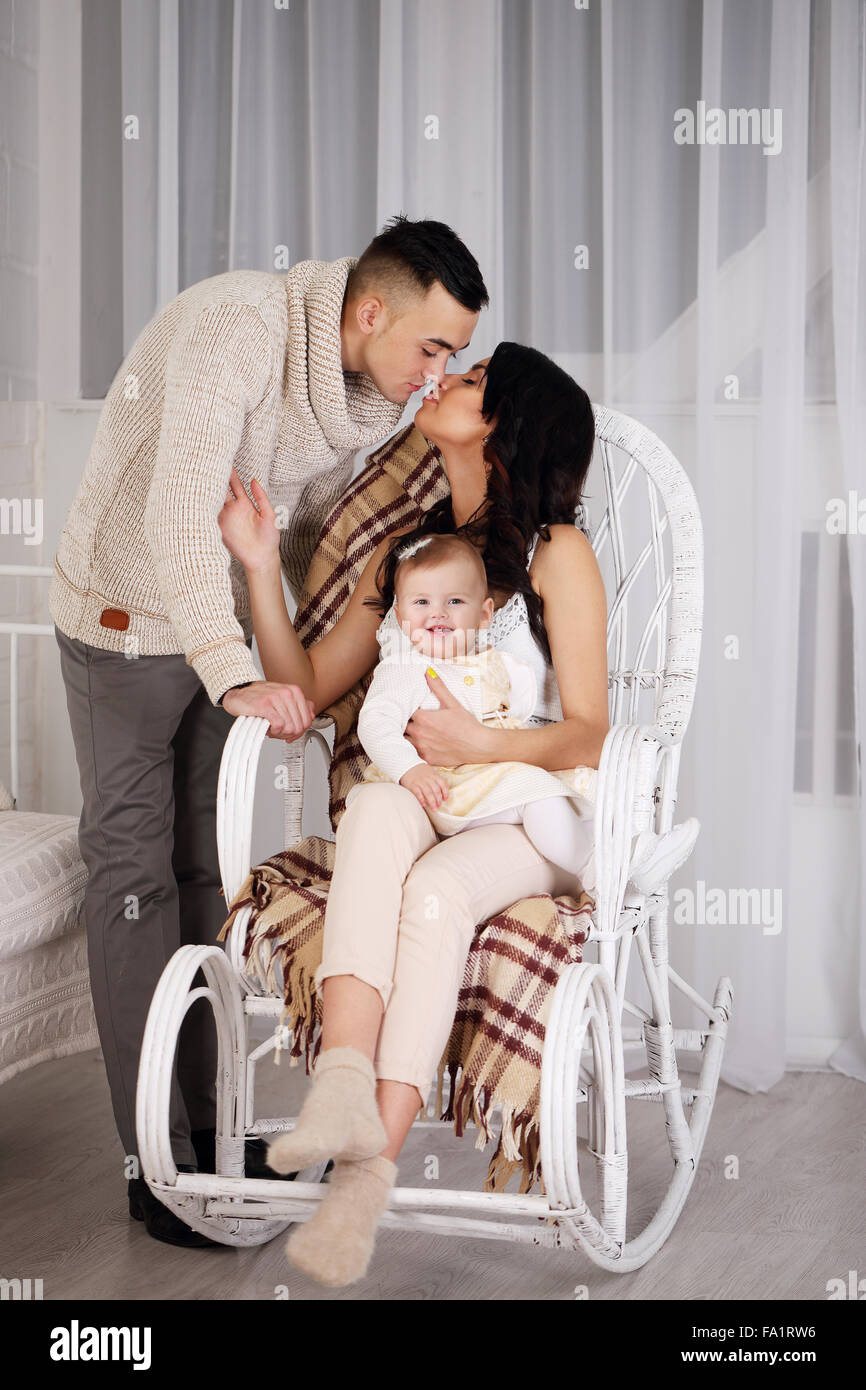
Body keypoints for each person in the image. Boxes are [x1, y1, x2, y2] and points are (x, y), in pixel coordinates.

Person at [216, 341, 699, 1286]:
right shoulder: (415, 551)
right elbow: (310, 686)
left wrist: (486, 748)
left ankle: (364, 1179)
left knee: (433, 892)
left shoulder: (557, 551)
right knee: (370, 813)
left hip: (528, 815)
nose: (448, 378)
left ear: (506, 427)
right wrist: (262, 562)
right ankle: (346, 1088)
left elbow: (594, 734)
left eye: (475, 380)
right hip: (431, 797)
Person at [49, 214, 489, 1247]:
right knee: (131, 877)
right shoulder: (239, 327)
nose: (437, 370)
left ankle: (205, 1134)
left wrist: (308, 661)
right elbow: (176, 509)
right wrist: (230, 668)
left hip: (219, 638)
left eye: (454, 357)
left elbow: (303, 532)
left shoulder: (373, 396)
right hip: (122, 620)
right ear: (369, 310)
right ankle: (148, 1165)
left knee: (202, 868)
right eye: (430, 345)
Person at [355, 530, 695, 891]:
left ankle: (632, 850)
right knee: (538, 796)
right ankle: (600, 870)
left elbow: (520, 703)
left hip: (486, 778)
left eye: (454, 602)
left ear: (485, 615)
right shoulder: (405, 667)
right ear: (399, 614)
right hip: (445, 789)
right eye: (421, 602)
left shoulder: (490, 662)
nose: (437, 613)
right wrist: (412, 770)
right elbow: (375, 724)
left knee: (570, 794)